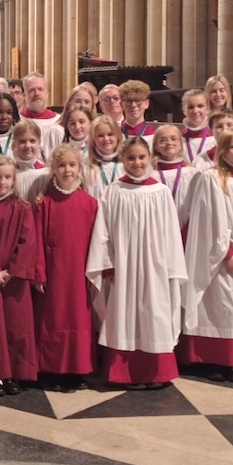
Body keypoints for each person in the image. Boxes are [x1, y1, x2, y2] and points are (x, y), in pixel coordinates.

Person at [86, 135, 187, 388]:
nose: (137, 162)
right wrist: (107, 264)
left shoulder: (161, 192)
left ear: (150, 159)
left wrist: (171, 267)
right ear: (122, 159)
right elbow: (103, 231)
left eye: (142, 157)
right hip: (124, 266)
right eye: (131, 158)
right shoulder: (114, 191)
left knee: (155, 312)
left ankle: (156, 373)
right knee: (124, 312)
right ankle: (126, 372)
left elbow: (171, 233)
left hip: (155, 266)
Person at [180, 129, 233, 381]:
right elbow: (209, 221)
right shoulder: (211, 178)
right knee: (222, 305)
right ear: (221, 151)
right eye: (232, 147)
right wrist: (229, 254)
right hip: (221, 258)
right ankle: (218, 360)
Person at [30, 144, 99, 390]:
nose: (67, 170)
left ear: (79, 168)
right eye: (61, 165)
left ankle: (76, 369)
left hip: (79, 271)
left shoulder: (90, 203)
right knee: (53, 318)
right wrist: (39, 272)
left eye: (72, 165)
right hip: (54, 270)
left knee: (78, 319)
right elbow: (37, 239)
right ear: (53, 169)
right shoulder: (44, 202)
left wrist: (93, 271)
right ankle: (51, 370)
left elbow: (96, 241)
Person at [0, 156, 41, 395]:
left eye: (7, 177)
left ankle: (16, 374)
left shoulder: (22, 208)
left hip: (14, 279)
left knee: (17, 327)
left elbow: (27, 242)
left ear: (14, 180)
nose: (2, 182)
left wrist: (12, 271)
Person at [152, 123, 196, 228]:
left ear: (180, 144)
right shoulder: (151, 176)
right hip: (158, 227)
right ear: (156, 147)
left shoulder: (192, 174)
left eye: (173, 139)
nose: (169, 143)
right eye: (163, 140)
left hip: (186, 229)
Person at [20, 72, 64, 157]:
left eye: (40, 89)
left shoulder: (59, 121)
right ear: (24, 95)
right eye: (32, 90)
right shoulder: (18, 121)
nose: (37, 93)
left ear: (47, 93)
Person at [84, 114, 124, 199]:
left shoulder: (125, 165)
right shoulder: (86, 167)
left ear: (118, 136)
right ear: (93, 140)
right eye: (100, 136)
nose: (106, 139)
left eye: (110, 134)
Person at [10, 120, 49, 199]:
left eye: (32, 141)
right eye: (22, 141)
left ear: (39, 143)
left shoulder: (45, 173)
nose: (28, 146)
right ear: (14, 144)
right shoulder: (9, 173)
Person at [181, 89, 216, 163]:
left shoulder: (215, 137)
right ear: (184, 110)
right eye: (191, 107)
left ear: (208, 109)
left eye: (200, 106)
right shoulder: (179, 139)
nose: (195, 111)